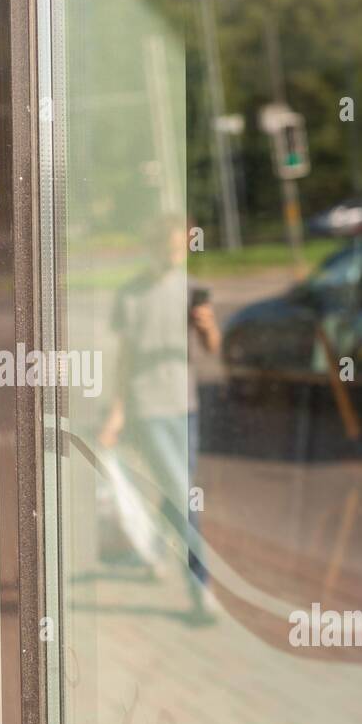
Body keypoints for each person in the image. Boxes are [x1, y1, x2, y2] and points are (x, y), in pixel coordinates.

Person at [99, 216, 221, 616]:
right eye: (169, 246)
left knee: (176, 493)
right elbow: (124, 360)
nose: (175, 253)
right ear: (152, 246)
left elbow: (212, 347)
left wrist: (206, 327)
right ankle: (199, 586)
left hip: (185, 406)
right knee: (183, 495)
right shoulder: (130, 295)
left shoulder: (190, 291)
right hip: (146, 408)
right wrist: (116, 414)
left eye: (181, 246)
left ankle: (152, 546)